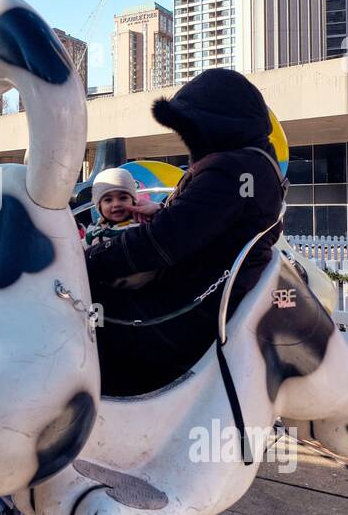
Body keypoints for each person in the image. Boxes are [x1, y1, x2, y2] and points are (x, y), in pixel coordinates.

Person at [85, 68, 286, 397]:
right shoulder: (253, 163)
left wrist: (86, 260)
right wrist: (163, 210)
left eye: (190, 128)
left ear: (215, 126)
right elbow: (201, 223)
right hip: (197, 300)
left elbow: (160, 244)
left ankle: (91, 428)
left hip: (183, 313)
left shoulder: (230, 170)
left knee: (80, 312)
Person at [83, 167, 139, 248]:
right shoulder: (93, 230)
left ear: (133, 201)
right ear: (99, 206)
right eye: (108, 200)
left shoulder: (142, 225)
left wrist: (156, 210)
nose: (116, 204)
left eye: (123, 198)